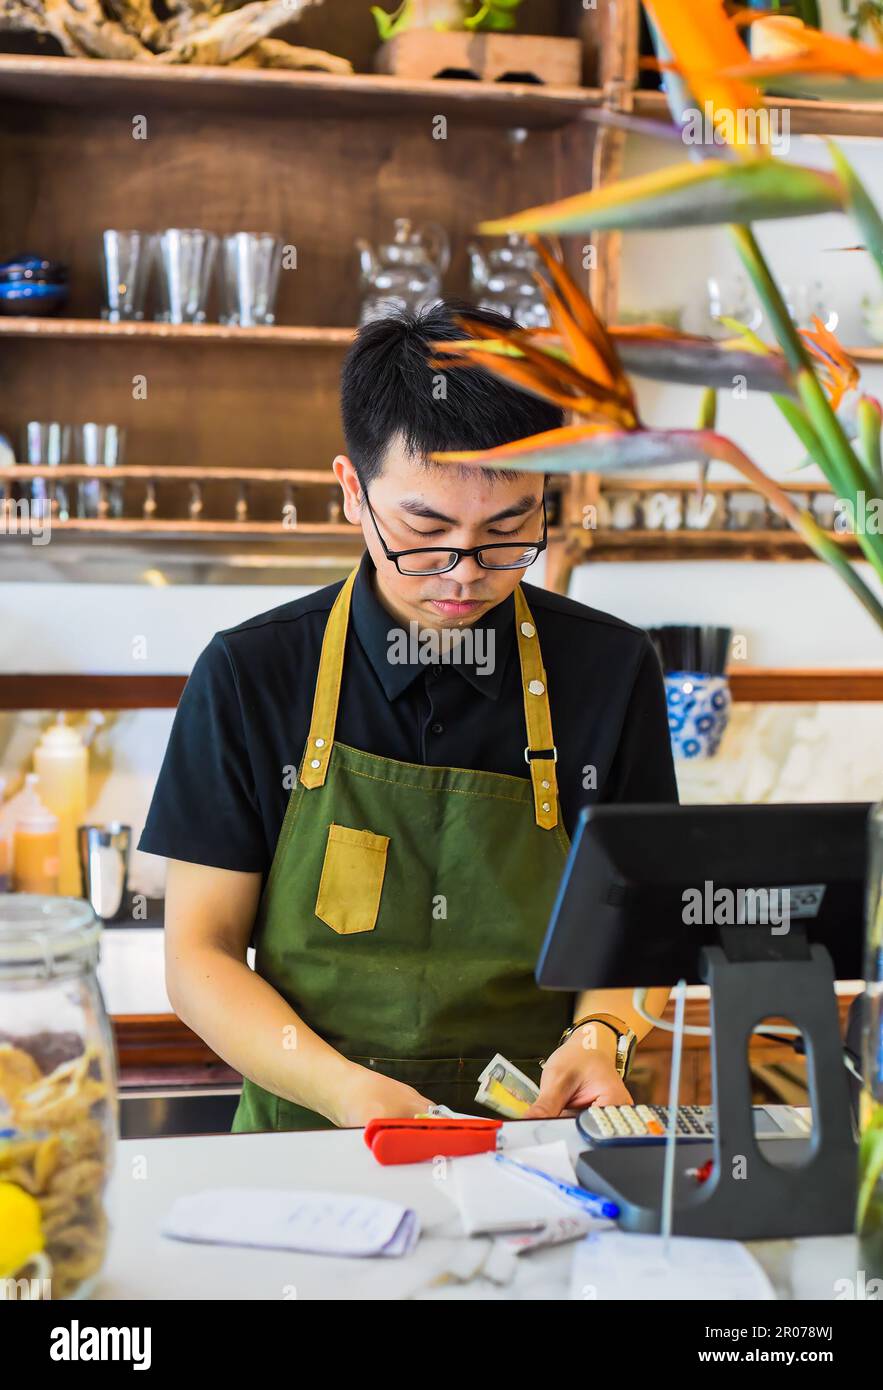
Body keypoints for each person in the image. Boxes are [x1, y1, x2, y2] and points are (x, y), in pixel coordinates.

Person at [139, 301, 677, 1131]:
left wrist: (602, 1034)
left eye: (507, 530)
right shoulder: (251, 673)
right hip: (311, 1139)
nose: (464, 573)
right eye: (425, 531)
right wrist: (345, 1091)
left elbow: (636, 923)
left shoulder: (609, 669)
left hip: (533, 1141)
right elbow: (197, 956)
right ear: (352, 492)